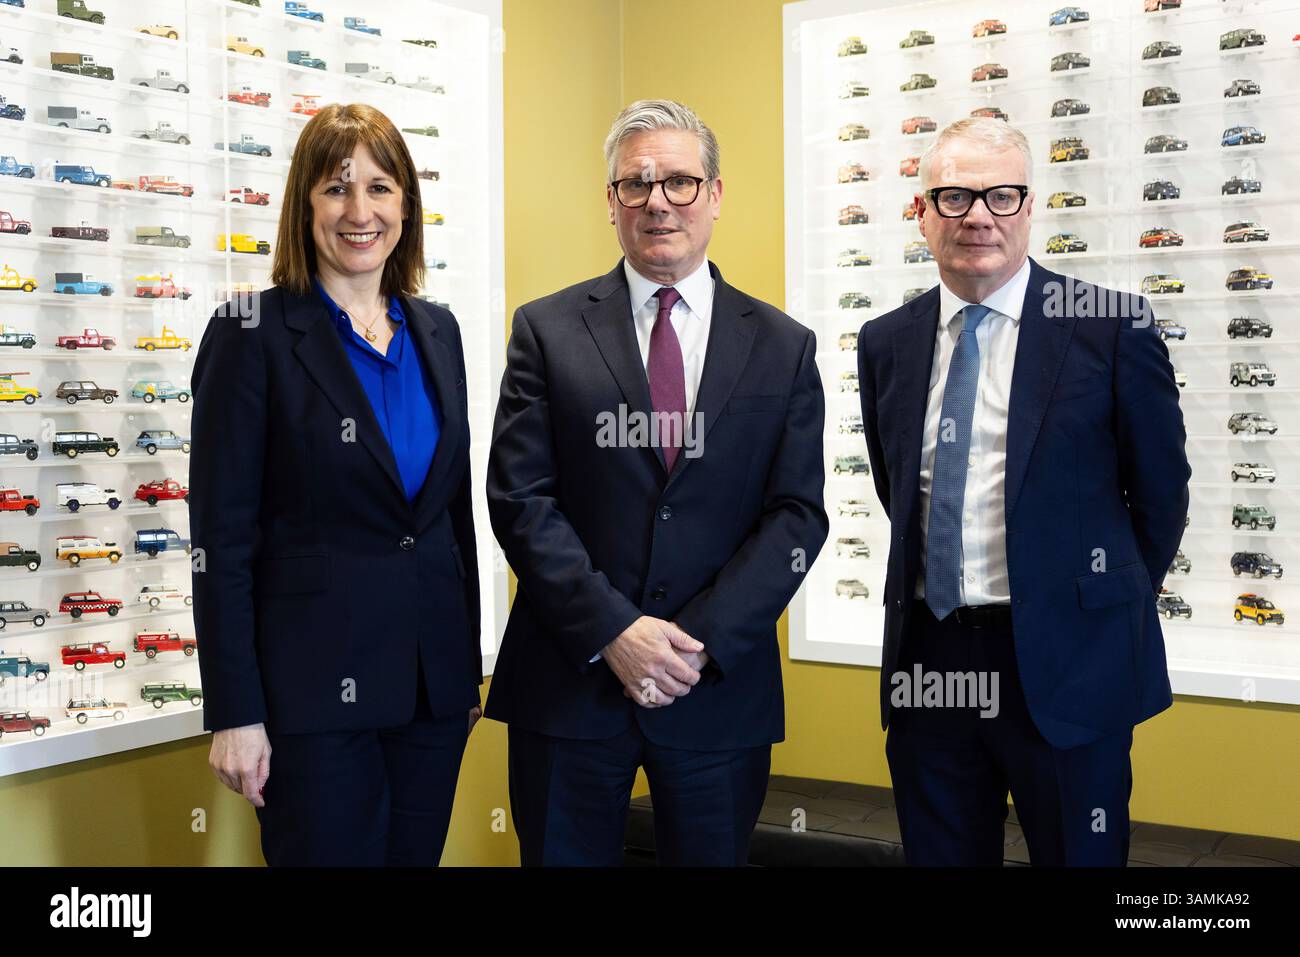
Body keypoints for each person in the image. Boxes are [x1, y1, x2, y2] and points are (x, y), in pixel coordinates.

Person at [485, 99, 828, 866]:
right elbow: (519, 499)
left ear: (715, 194)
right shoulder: (547, 329)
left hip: (714, 694)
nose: (658, 202)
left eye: (679, 181)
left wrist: (694, 643)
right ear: (610, 203)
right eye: (635, 184)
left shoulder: (782, 345)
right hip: (569, 689)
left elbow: (798, 515)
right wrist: (614, 630)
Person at [856, 118, 1191, 866]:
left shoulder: (1110, 328)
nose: (978, 215)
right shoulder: (887, 340)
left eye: (1001, 195)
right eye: (954, 197)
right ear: (922, 213)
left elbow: (1162, 496)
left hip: (1071, 664)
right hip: (932, 659)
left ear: (1030, 206)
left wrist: (1097, 604)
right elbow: (895, 486)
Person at [190, 103, 483, 866]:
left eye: (381, 188)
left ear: (406, 205)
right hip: (311, 700)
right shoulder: (250, 332)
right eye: (337, 189)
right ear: (304, 204)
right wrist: (235, 712)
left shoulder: (438, 329)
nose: (361, 212)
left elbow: (451, 515)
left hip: (428, 693)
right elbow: (220, 541)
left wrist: (465, 668)